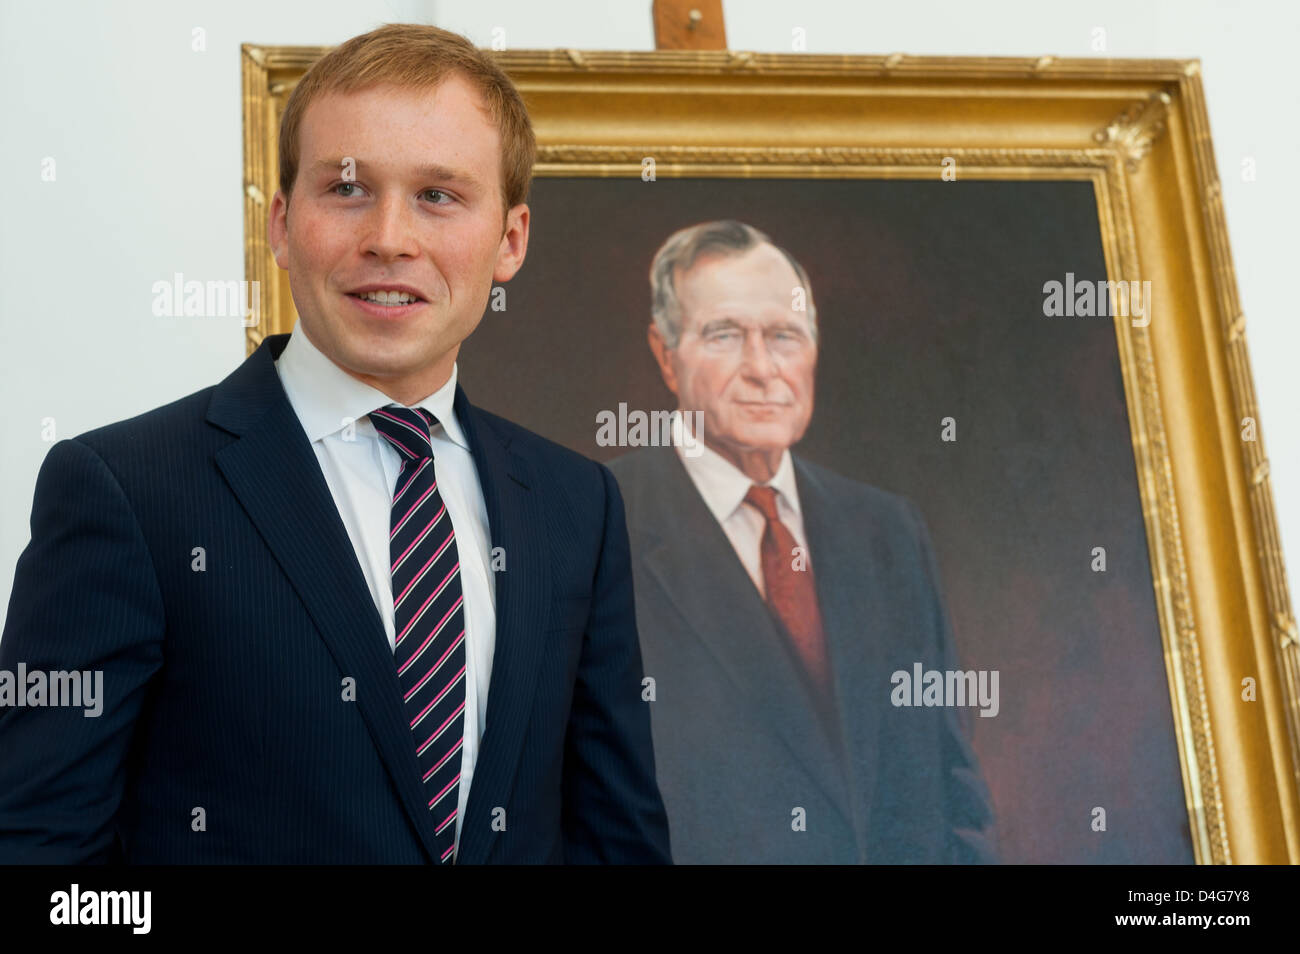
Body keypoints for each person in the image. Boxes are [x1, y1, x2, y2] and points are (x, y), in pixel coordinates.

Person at [0, 23, 670, 865]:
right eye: (347, 190)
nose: (389, 236)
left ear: (511, 240)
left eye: (439, 195)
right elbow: (39, 859)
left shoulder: (577, 504)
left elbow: (617, 845)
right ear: (282, 223)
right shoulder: (126, 491)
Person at [608, 220, 996, 863]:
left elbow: (952, 786)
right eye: (725, 335)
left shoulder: (889, 532)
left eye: (784, 335)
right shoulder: (597, 525)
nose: (762, 369)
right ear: (665, 353)